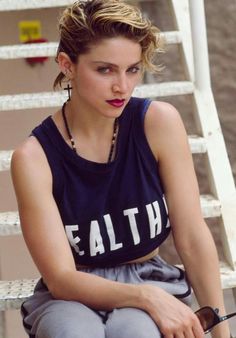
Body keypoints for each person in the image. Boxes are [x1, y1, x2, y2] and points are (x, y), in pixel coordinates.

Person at [11, 0, 231, 337]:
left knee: (138, 333)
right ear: (67, 65)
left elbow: (191, 235)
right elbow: (61, 278)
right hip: (73, 292)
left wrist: (219, 329)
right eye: (105, 69)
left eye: (132, 69)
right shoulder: (34, 157)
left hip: (149, 276)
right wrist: (146, 298)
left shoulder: (158, 123)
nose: (122, 86)